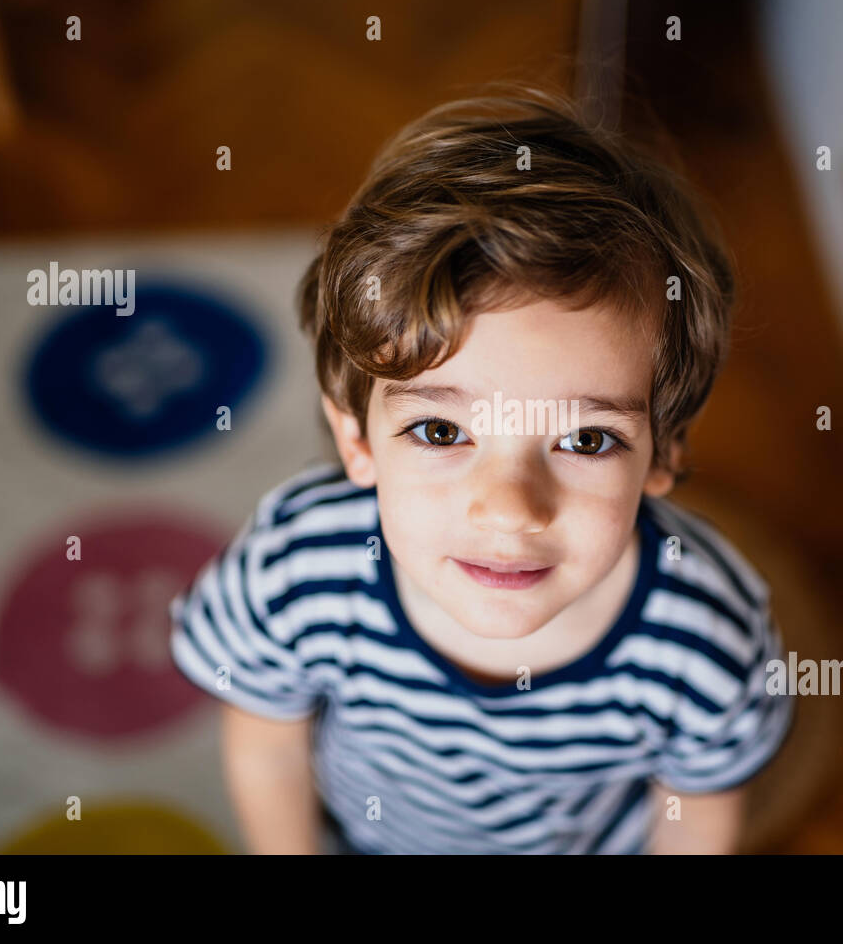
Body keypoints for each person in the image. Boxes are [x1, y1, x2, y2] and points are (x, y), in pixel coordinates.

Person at [169, 85, 793, 854]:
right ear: (357, 439)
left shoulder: (704, 638)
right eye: (439, 428)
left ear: (663, 453)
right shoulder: (297, 567)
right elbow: (266, 742)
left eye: (587, 440)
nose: (508, 509)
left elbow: (695, 813)